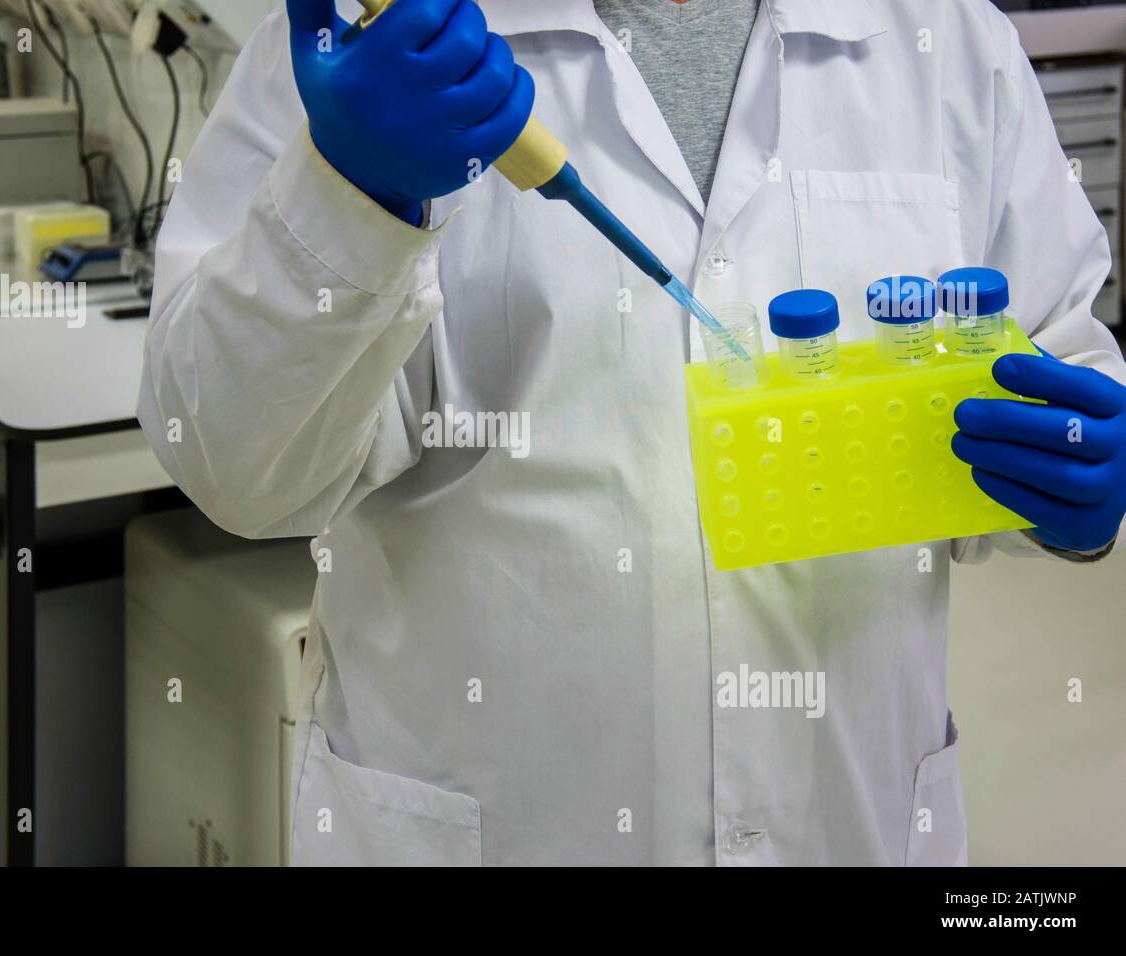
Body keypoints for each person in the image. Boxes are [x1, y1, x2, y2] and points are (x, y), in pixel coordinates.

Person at [139, 0, 1126, 865]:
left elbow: (1057, 354)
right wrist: (346, 195)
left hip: (850, 824)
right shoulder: (383, 39)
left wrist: (1071, 486)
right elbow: (230, 461)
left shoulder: (944, 37)